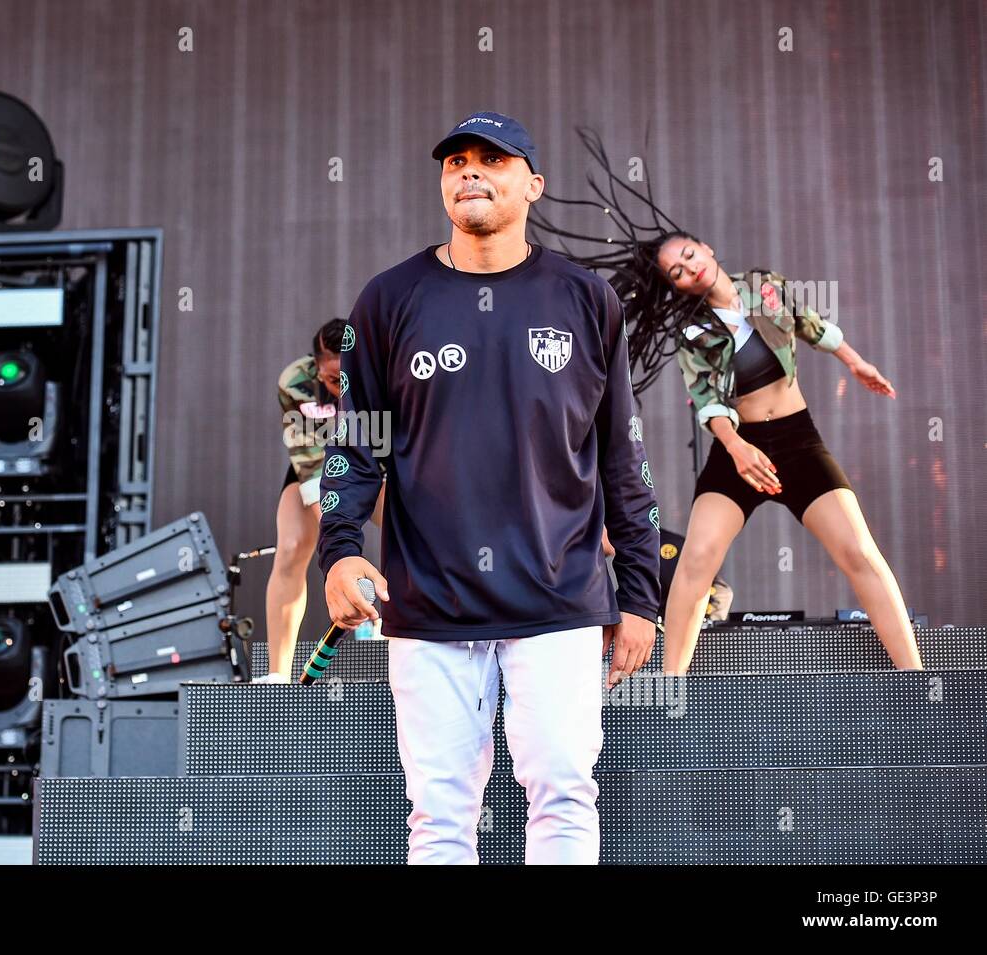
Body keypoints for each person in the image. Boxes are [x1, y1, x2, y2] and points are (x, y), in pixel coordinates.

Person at [317, 112, 661, 864]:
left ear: (532, 185)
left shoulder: (585, 298)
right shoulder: (387, 299)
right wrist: (338, 551)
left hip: (558, 596)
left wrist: (640, 593)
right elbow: (354, 444)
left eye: (492, 160)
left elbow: (622, 457)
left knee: (564, 796)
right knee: (440, 817)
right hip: (431, 602)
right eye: (456, 161)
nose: (470, 171)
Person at [530, 128, 923, 675]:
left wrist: (854, 361)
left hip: (797, 439)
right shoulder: (694, 332)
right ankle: (671, 690)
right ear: (677, 285)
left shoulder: (765, 284)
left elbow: (812, 325)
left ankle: (918, 680)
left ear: (706, 249)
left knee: (859, 554)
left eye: (690, 256)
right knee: (695, 562)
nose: (689, 268)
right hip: (738, 447)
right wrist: (738, 449)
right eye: (677, 271)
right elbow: (707, 400)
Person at [262, 320, 384, 682]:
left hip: (376, 459)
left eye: (347, 377)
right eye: (333, 380)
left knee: (406, 526)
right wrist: (341, 545)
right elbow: (311, 463)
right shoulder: (294, 382)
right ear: (315, 366)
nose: (341, 387)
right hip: (323, 464)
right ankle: (277, 675)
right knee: (292, 545)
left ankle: (396, 628)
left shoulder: (382, 370)